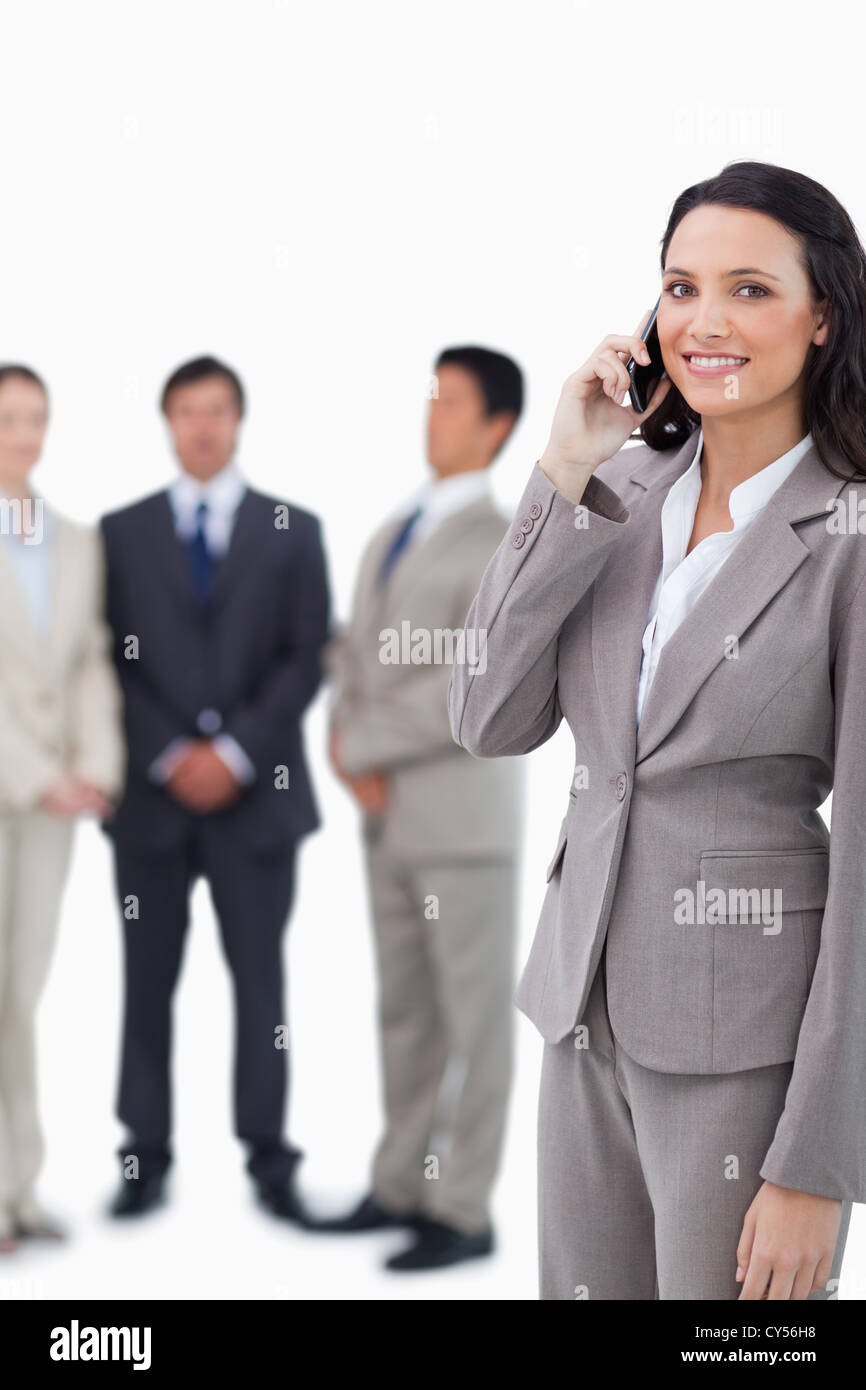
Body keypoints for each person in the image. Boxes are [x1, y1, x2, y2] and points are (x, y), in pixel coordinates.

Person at [448, 161, 866, 1300]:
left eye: (747, 288)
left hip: (744, 1050)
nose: (703, 322)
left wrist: (816, 1164)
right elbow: (486, 713)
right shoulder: (619, 492)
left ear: (820, 315)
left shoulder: (848, 530)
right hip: (579, 1011)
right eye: (679, 288)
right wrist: (564, 465)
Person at [99, 356, 330, 1222]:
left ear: (239, 419)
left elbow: (305, 657)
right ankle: (144, 1154)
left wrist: (233, 751)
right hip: (150, 804)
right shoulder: (120, 533)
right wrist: (170, 753)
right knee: (145, 981)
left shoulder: (292, 529)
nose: (202, 425)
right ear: (167, 422)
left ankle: (270, 1159)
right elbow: (107, 656)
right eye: (186, 411)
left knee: (261, 988)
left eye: (217, 410)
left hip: (257, 801)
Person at [321, 346, 525, 1269]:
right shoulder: (394, 525)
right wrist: (340, 736)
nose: (432, 414)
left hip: (462, 822)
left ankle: (465, 1208)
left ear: (499, 427)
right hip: (386, 817)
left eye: (453, 403)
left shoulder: (505, 536)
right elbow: (357, 654)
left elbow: (471, 674)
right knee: (403, 1011)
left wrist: (357, 743)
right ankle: (399, 1182)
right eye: (431, 397)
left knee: (472, 1020)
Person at [0, 364, 124, 1254]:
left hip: (49, 807)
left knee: (21, 993)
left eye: (35, 418)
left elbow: (86, 660)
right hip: (15, 781)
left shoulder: (76, 541)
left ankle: (17, 1190)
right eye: (8, 418)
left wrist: (96, 768)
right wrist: (36, 771)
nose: (24, 434)